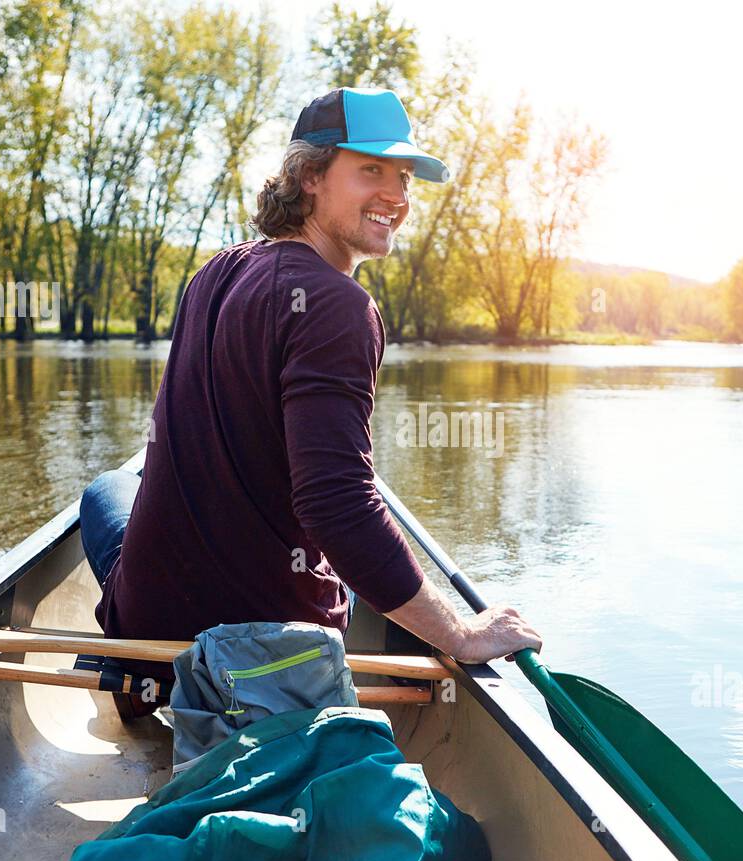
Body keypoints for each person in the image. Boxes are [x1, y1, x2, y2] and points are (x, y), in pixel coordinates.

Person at [79, 88, 541, 716]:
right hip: (268, 660)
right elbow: (338, 505)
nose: (396, 196)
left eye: (403, 177)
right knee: (349, 546)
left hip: (149, 644)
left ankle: (130, 638)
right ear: (309, 177)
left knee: (106, 491)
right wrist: (460, 634)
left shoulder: (213, 272)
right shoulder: (338, 306)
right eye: (371, 170)